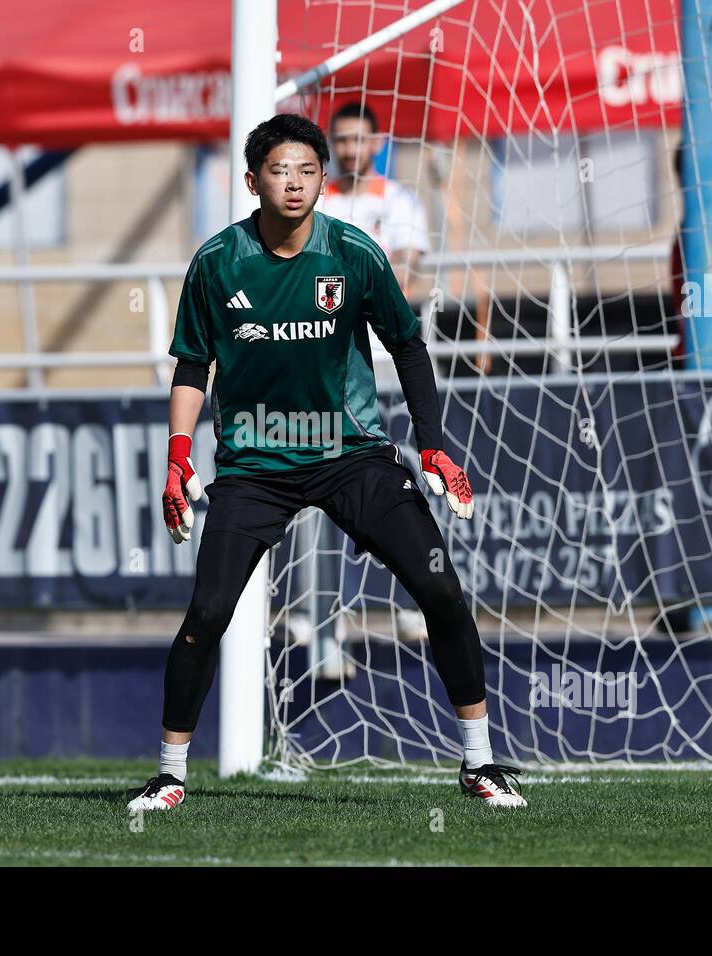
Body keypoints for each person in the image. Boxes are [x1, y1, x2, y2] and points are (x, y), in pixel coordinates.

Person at [126, 114, 525, 812]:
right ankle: (169, 774)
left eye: (307, 171)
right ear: (253, 181)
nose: (295, 182)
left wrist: (431, 442)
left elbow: (407, 344)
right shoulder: (218, 262)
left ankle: (480, 762)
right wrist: (177, 457)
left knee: (441, 591)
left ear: (322, 179)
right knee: (207, 613)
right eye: (280, 171)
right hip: (253, 465)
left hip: (353, 456)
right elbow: (193, 365)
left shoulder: (353, 253)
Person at [316, 102, 429, 300]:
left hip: (380, 323)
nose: (350, 150)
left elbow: (406, 269)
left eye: (358, 140)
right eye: (342, 141)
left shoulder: (401, 199)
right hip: (327, 320)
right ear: (331, 144)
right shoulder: (317, 200)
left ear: (377, 143)